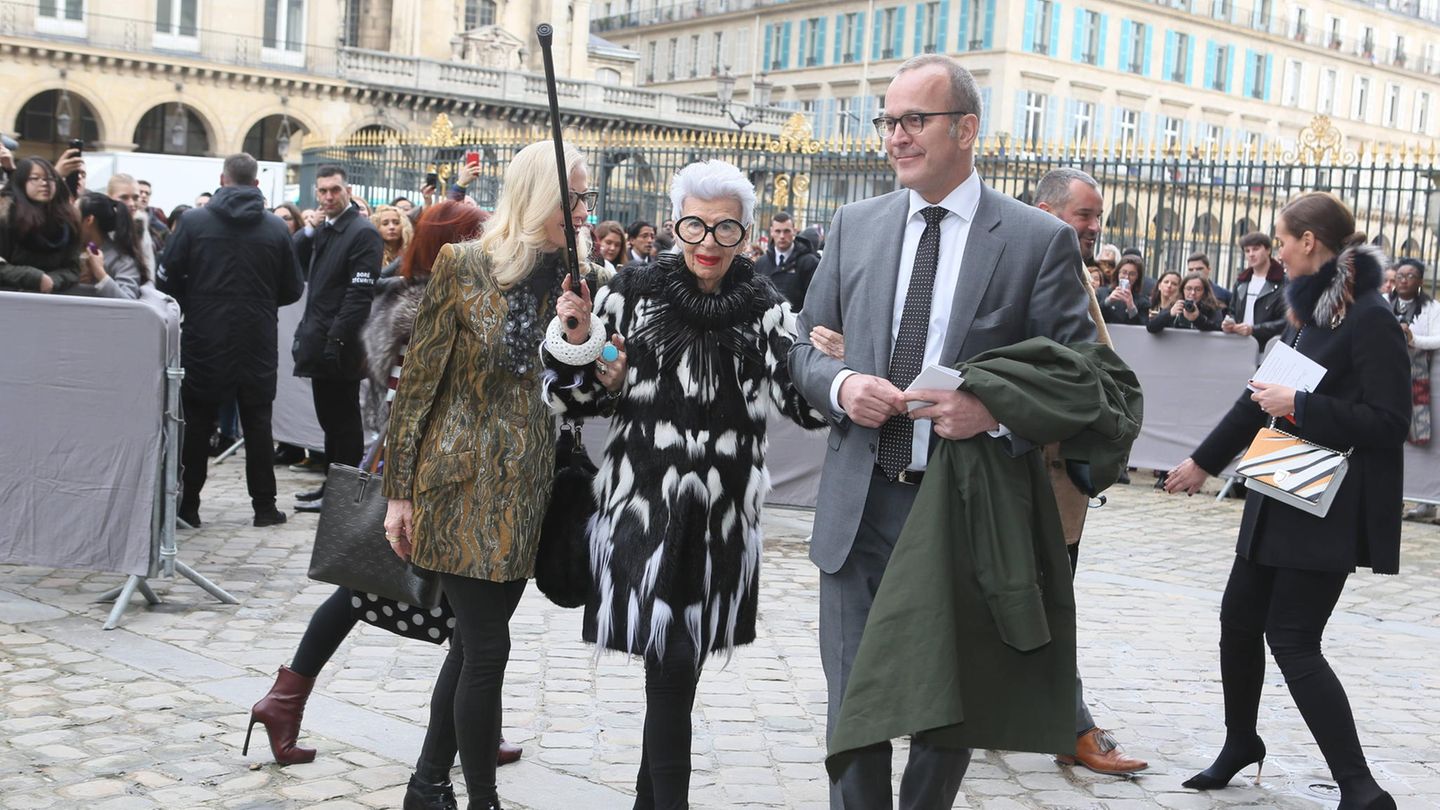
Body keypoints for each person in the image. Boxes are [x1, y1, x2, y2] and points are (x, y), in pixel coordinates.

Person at [790, 54, 1096, 809]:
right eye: (887, 121)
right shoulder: (854, 225)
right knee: (853, 705)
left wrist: (993, 411)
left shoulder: (1034, 241)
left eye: (913, 120)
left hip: (961, 510)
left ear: (965, 128)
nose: (895, 136)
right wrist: (840, 384)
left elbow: (1081, 381)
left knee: (944, 711)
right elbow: (801, 349)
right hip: (858, 505)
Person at [543, 160, 826, 809]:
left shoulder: (765, 308)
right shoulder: (632, 291)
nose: (708, 241)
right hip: (644, 511)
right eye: (695, 224)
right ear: (675, 224)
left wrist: (824, 357)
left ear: (746, 233)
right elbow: (575, 400)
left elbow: (802, 404)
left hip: (719, 523)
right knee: (669, 666)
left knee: (675, 674)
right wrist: (580, 342)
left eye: (725, 228)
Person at [248, 200, 524, 801]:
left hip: (429, 467)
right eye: (481, 231)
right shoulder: (427, 300)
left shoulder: (431, 291)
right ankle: (450, 744)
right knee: (386, 592)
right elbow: (407, 397)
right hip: (422, 472)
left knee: (395, 598)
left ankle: (285, 701)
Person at [1164, 192, 1407, 810]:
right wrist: (1201, 462)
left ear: (1309, 242)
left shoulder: (1370, 316)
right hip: (1278, 488)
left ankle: (1359, 786)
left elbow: (1387, 420)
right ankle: (1241, 741)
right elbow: (1256, 400)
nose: (1274, 248)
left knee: (1294, 639)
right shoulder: (1309, 311)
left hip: (1328, 500)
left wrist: (1299, 406)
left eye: (1281, 236)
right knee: (1237, 623)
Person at [381, 140, 597, 810]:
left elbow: (583, 390)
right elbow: (419, 382)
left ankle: (425, 785)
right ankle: (481, 802)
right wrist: (398, 491)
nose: (588, 209)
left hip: (529, 488)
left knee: (471, 649)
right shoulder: (464, 263)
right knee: (488, 650)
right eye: (579, 197)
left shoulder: (577, 280)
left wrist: (582, 334)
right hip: (460, 480)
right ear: (544, 197)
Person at [1031, 167, 1149, 776]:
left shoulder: (1071, 271)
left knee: (1048, 599)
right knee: (1047, 603)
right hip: (1025, 471)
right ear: (1048, 213)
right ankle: (1071, 727)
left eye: (1097, 217)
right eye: (1085, 215)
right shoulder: (1026, 265)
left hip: (1062, 480)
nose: (1095, 228)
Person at [156, 153, 304, 528]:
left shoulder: (192, 221)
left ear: (222, 179)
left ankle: (187, 506)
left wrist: (199, 304)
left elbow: (167, 278)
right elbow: (292, 287)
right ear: (256, 184)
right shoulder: (275, 228)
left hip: (204, 336)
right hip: (256, 337)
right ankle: (264, 508)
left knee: (197, 422)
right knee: (258, 422)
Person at [291, 165, 383, 513]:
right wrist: (307, 232)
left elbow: (358, 296)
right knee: (329, 421)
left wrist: (337, 340)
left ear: (347, 190)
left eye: (334, 190)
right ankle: (333, 485)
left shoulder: (362, 232)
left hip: (340, 343)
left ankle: (344, 495)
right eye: (323, 191)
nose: (328, 197)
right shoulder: (324, 230)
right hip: (319, 336)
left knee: (344, 424)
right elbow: (295, 264)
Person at [1390, 259, 1438, 495]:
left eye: (1410, 276)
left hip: (1419, 377)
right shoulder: (1383, 304)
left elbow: (1438, 339)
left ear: (1420, 281)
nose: (1403, 280)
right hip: (1387, 374)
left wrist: (1412, 339)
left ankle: (1422, 499)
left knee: (1418, 437)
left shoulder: (1432, 308)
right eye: (1400, 275)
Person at [0, 157, 81, 293]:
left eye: (50, 178)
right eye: (35, 178)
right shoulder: (6, 216)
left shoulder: (68, 220)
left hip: (50, 301)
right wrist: (34, 277)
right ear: (21, 182)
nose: (44, 183)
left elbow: (73, 269)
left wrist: (53, 280)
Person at [76, 191, 148, 300]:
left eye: (74, 213)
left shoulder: (122, 260)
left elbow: (129, 304)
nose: (68, 218)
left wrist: (100, 274)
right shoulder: (69, 251)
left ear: (89, 220)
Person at [1223, 232, 1287, 348]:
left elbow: (1286, 321)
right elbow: (1232, 311)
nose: (1251, 254)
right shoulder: (1241, 282)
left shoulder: (1283, 282)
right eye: (1247, 251)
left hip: (1269, 347)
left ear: (1268, 250)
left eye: (1255, 249)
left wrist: (1254, 330)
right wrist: (1229, 323)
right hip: (1239, 345)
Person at [754, 210, 820, 310]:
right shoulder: (761, 263)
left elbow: (814, 300)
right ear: (771, 232)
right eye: (778, 231)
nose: (782, 236)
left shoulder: (809, 263)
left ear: (794, 231)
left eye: (786, 231)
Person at [1148, 273, 1225, 333]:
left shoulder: (1213, 308)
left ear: (1205, 292)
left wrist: (1198, 319)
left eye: (1198, 289)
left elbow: (1218, 329)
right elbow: (1151, 327)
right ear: (1182, 290)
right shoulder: (1175, 305)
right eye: (1188, 288)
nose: (1192, 293)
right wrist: (1169, 314)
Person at [1098, 255, 1147, 325]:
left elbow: (1142, 327)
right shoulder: (1101, 293)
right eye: (1124, 272)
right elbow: (1093, 317)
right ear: (1117, 273)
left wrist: (1131, 306)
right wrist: (1108, 301)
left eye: (1132, 274)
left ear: (1137, 277)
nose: (1127, 277)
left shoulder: (1143, 301)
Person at [373, 203, 414, 269]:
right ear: (377, 227)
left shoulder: (411, 252)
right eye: (385, 224)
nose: (391, 227)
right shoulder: (372, 253)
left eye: (396, 223)